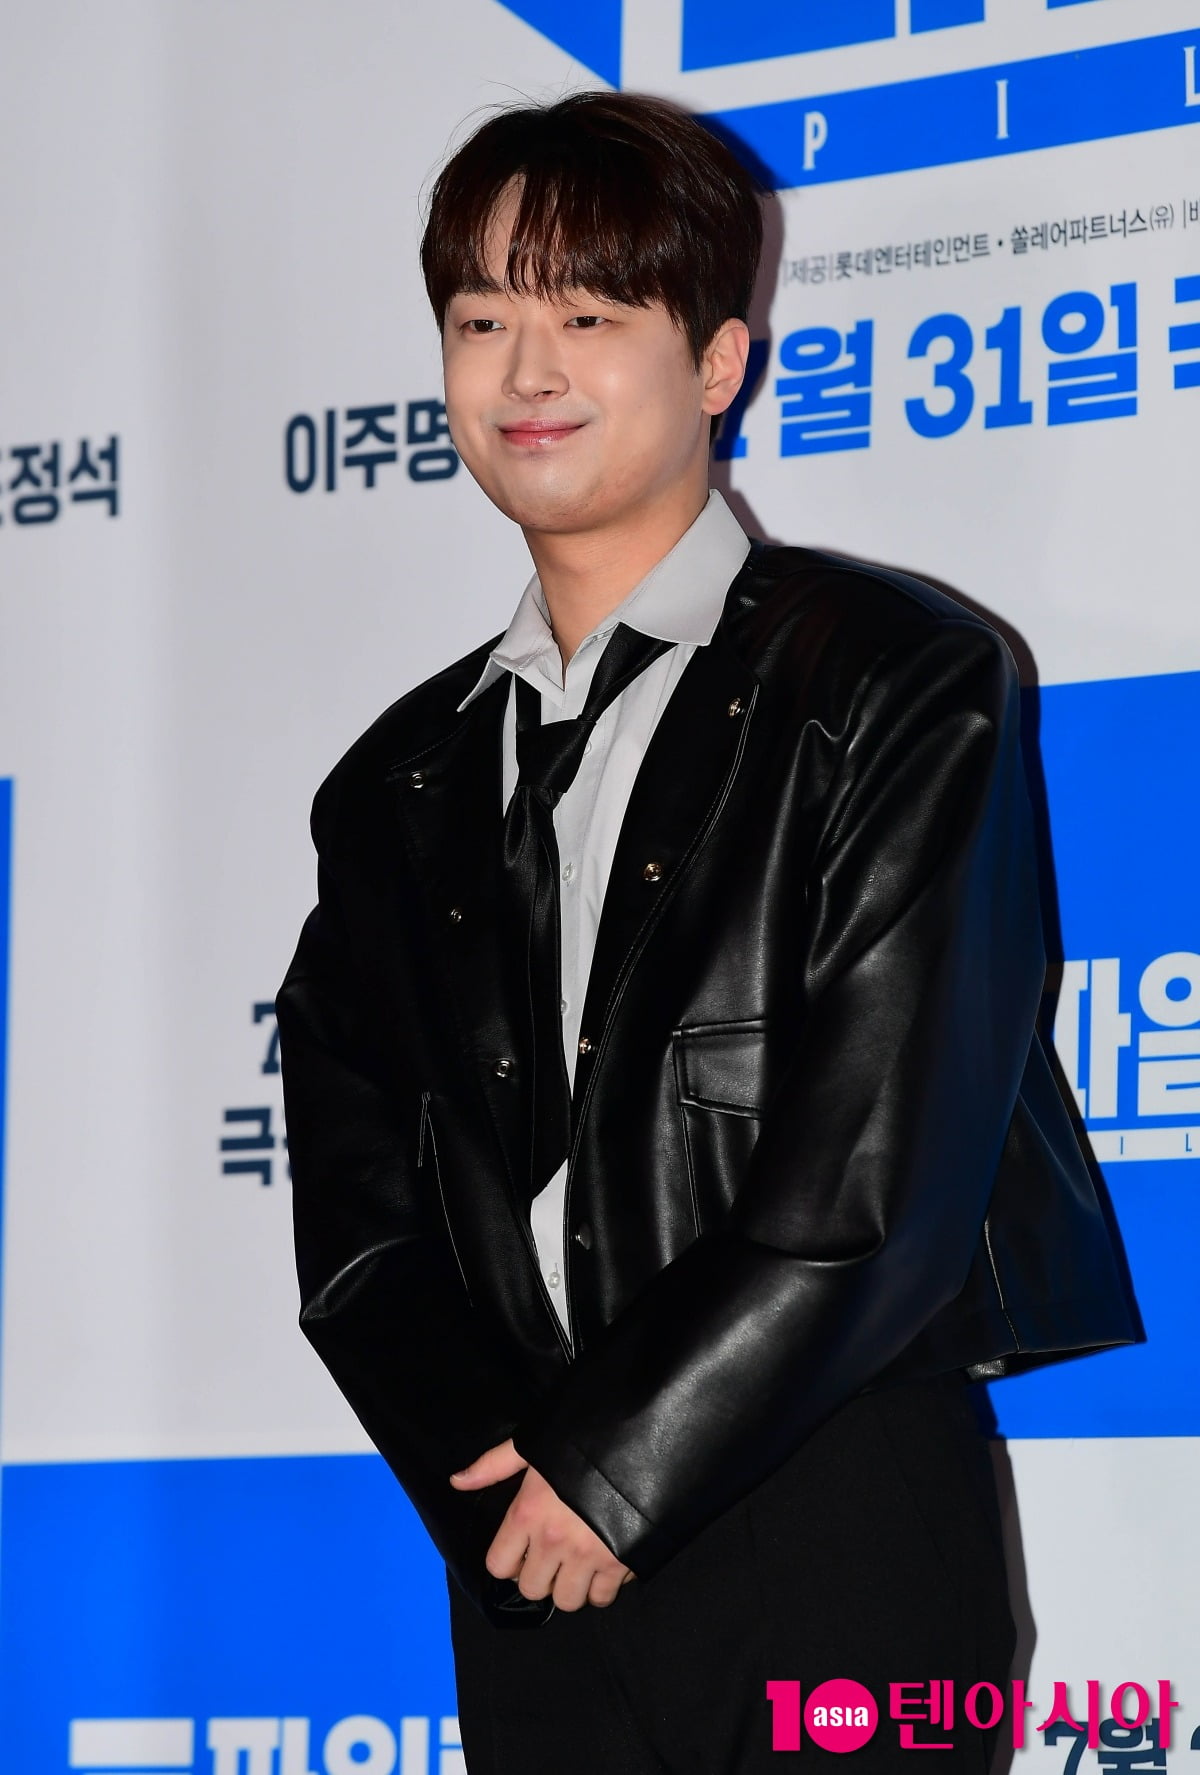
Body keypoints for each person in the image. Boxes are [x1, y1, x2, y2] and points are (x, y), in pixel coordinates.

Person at [276, 91, 1136, 1774]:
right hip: (524, 1553)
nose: (527, 371)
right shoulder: (394, 780)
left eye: (591, 317)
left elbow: (885, 1165)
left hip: (834, 1520)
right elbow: (356, 1202)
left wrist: (618, 1472)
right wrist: (496, 1477)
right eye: (482, 321)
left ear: (721, 361)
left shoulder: (895, 683)